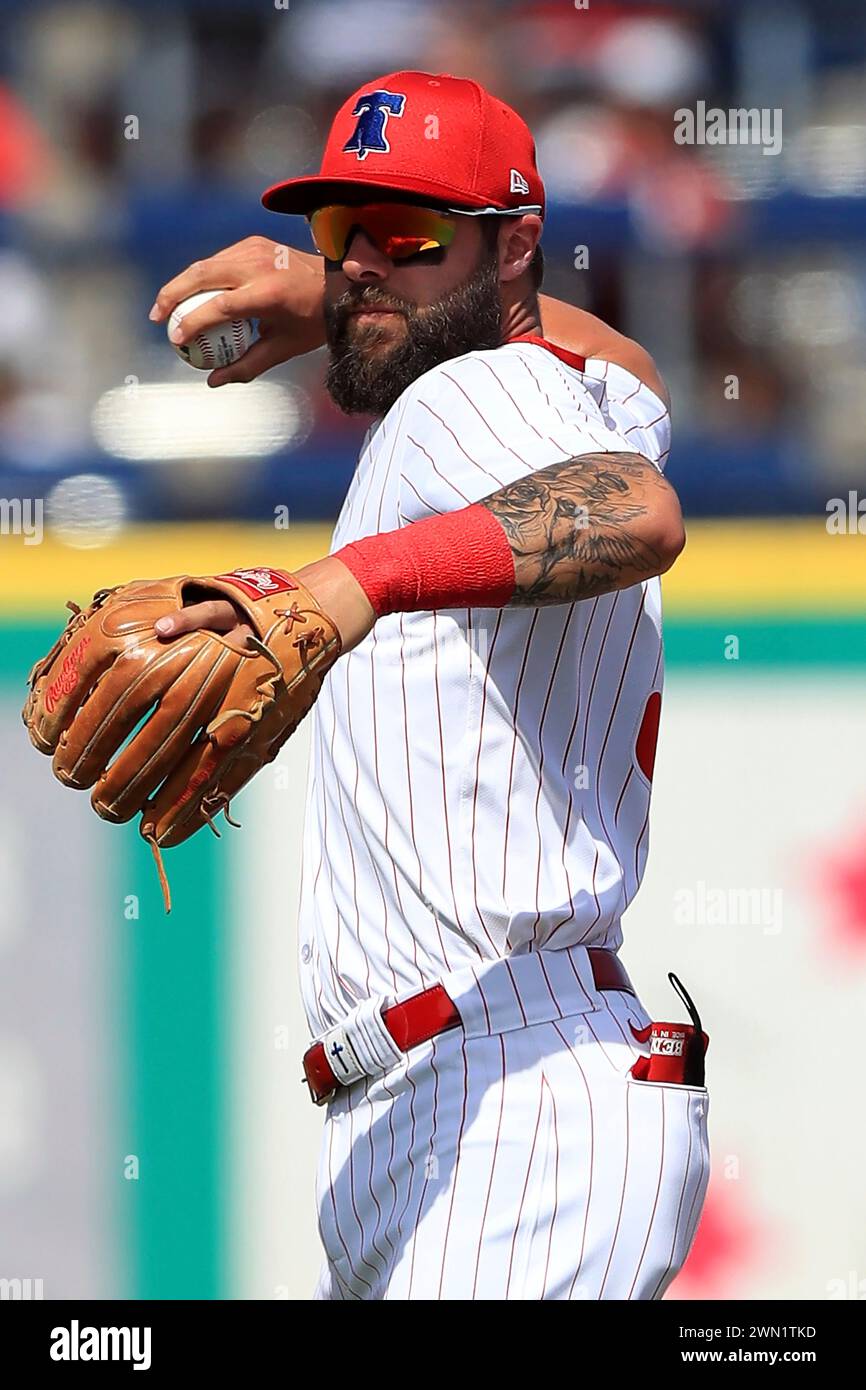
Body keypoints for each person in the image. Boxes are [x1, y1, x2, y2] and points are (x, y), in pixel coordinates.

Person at [149, 71, 708, 1301]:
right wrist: (354, 292)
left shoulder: (475, 392)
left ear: (515, 248)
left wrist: (358, 578)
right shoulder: (548, 389)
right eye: (342, 232)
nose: (360, 265)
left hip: (509, 1097)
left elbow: (638, 509)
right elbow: (637, 383)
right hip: (471, 1094)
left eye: (408, 236)